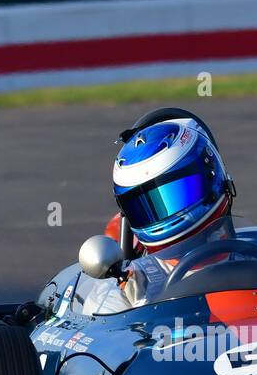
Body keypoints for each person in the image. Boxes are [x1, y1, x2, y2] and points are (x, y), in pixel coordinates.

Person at [83, 111, 236, 314]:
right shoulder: (128, 292)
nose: (166, 216)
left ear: (211, 175)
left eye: (177, 193)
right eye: (146, 206)